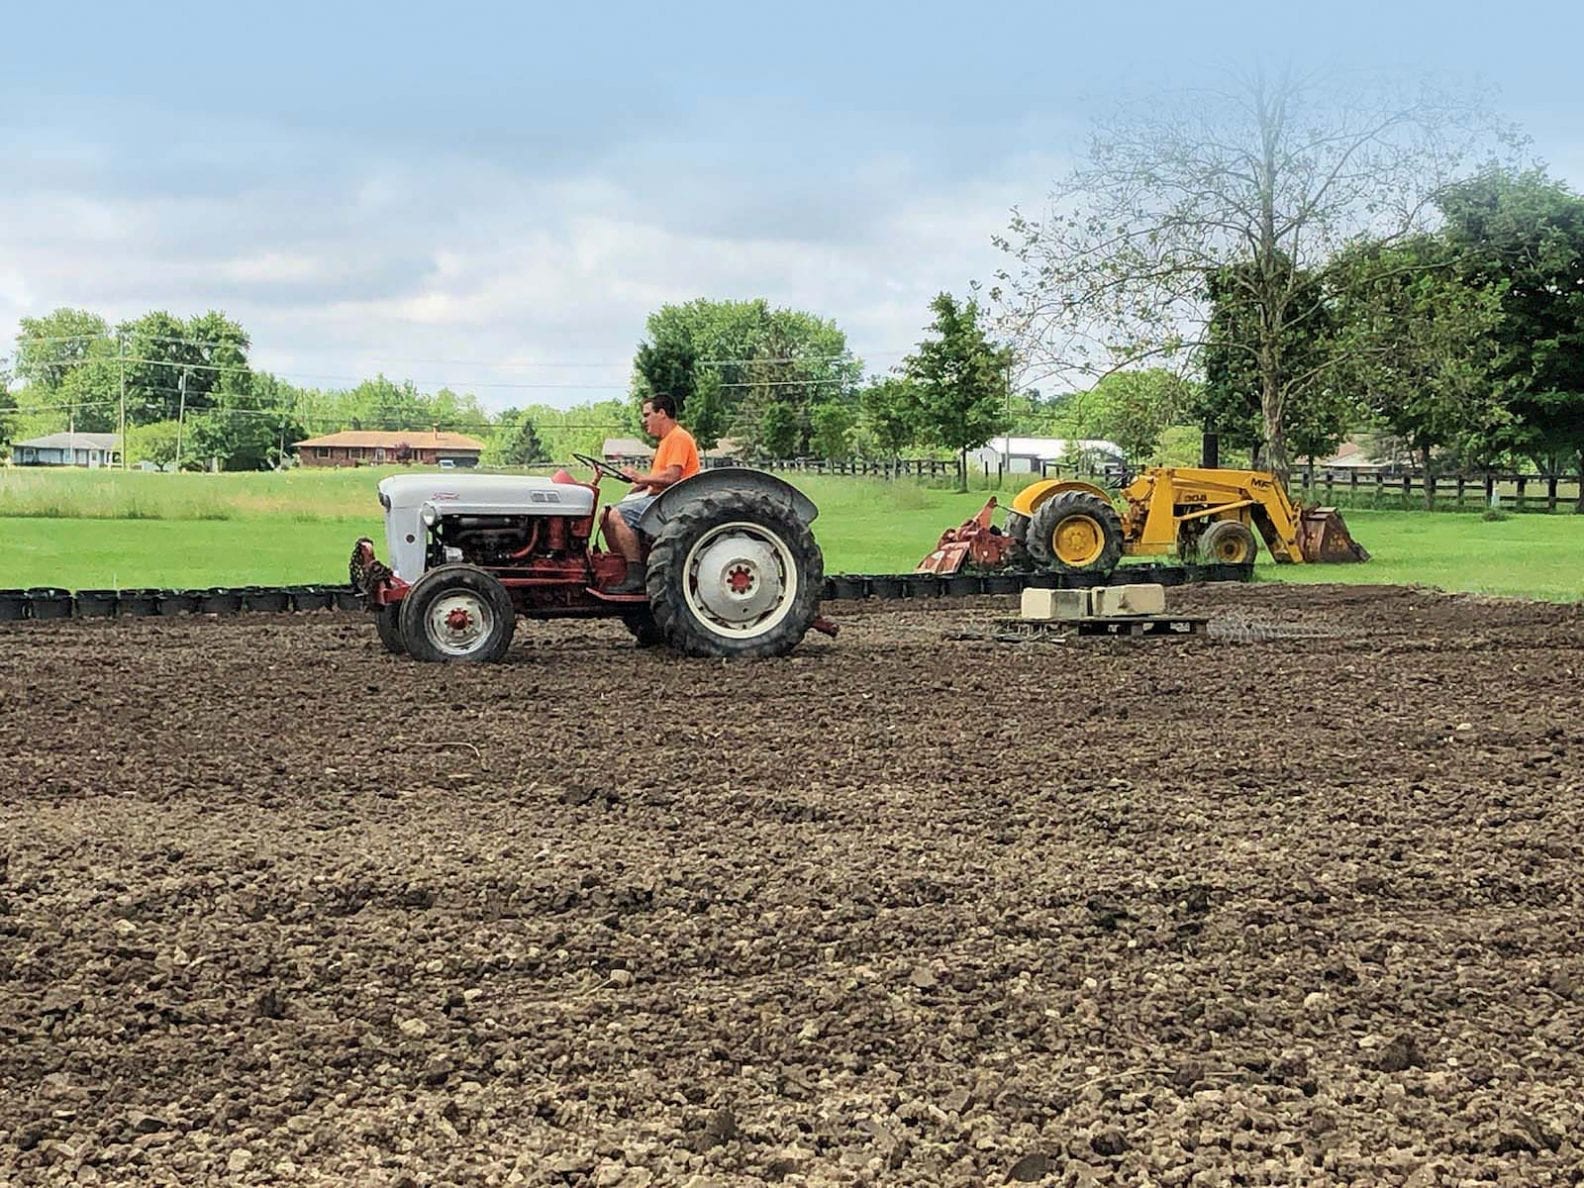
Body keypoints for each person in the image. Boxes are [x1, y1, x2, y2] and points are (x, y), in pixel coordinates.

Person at [603, 393, 700, 592]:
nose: (643, 420)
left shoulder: (678, 437)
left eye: (647, 415)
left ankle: (635, 576)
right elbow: (659, 478)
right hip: (660, 497)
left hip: (674, 501)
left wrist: (641, 478)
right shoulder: (666, 441)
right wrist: (640, 486)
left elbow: (673, 476)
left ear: (661, 413)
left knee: (618, 514)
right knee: (605, 515)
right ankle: (620, 567)